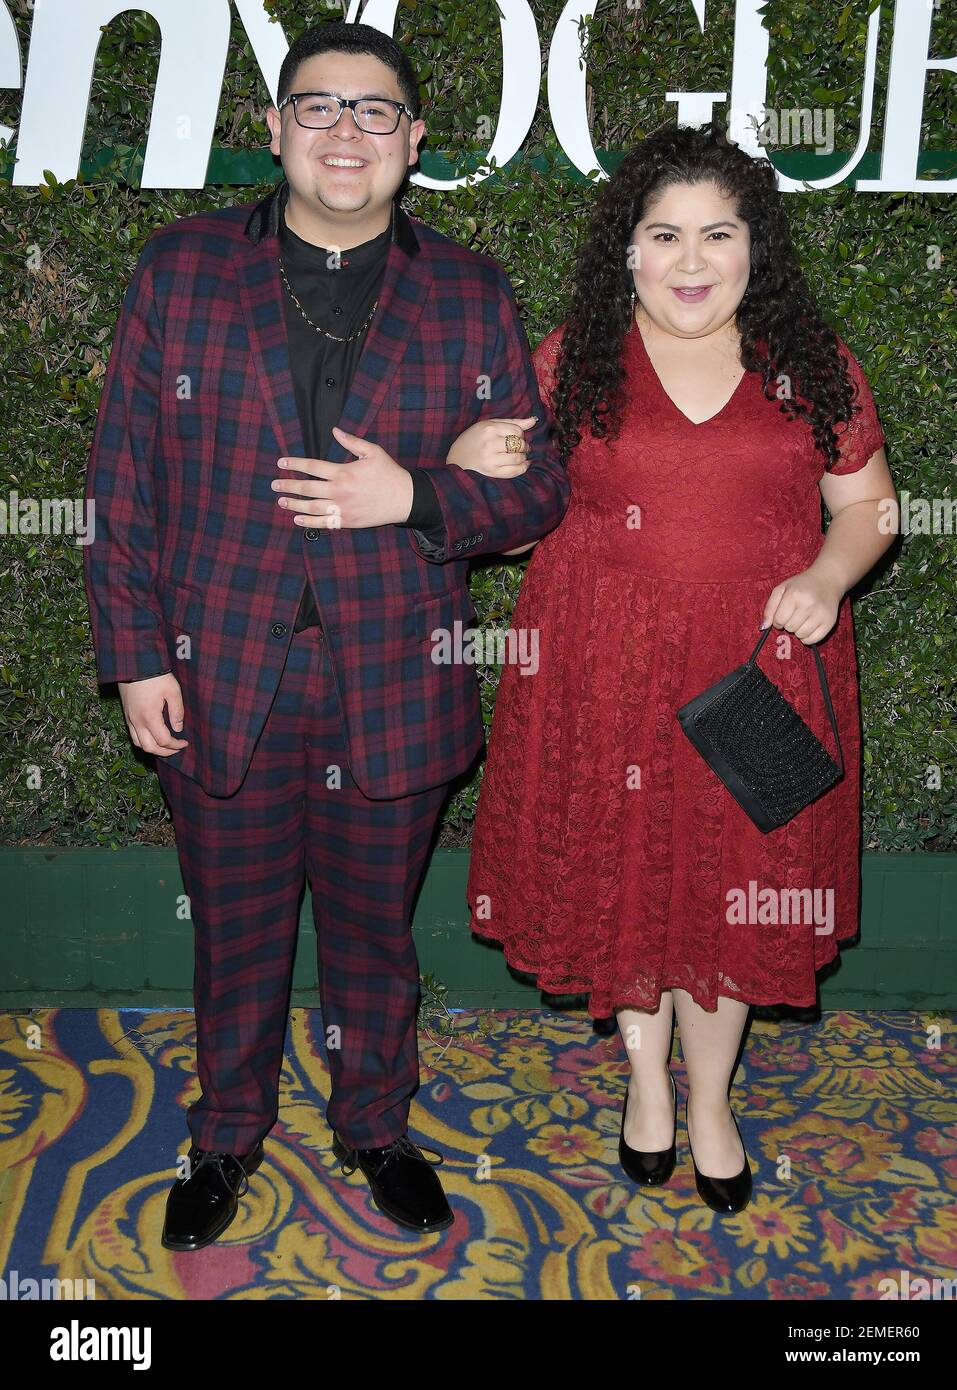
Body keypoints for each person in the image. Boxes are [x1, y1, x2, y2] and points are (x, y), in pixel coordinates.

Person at [83, 20, 568, 1250]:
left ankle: (375, 1126)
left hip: (395, 681)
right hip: (215, 673)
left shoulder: (467, 291)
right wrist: (133, 649)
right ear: (275, 130)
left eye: (371, 111)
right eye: (317, 106)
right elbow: (124, 475)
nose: (343, 130)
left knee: (372, 935)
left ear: (411, 144)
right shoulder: (180, 269)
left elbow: (533, 490)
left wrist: (414, 493)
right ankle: (227, 1133)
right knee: (234, 932)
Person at [462, 121, 897, 1213]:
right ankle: (644, 1088)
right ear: (629, 249)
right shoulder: (569, 359)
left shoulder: (811, 366)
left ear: (757, 249)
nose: (692, 260)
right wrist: (474, 467)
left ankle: (711, 1099)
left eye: (718, 233)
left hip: (758, 668)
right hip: (598, 669)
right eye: (665, 234)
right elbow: (512, 533)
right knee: (627, 882)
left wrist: (830, 578)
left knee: (733, 897)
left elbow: (870, 510)